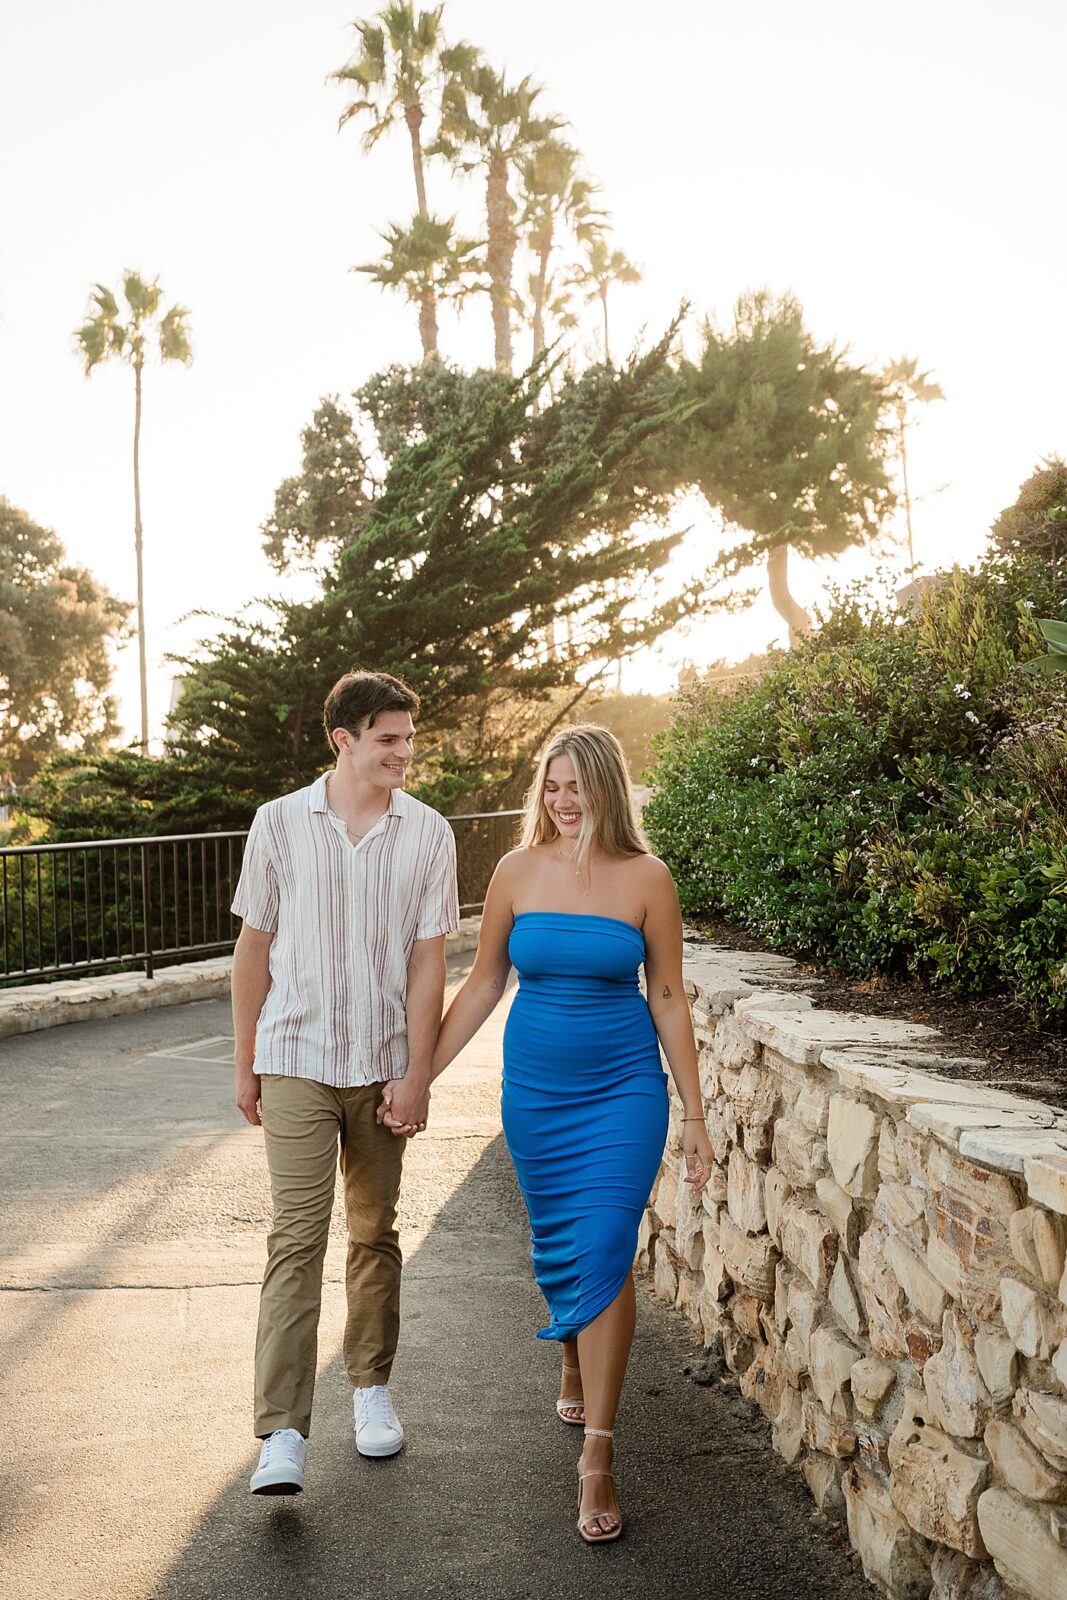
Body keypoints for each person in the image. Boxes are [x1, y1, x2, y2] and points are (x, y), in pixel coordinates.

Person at [388, 724, 713, 1542]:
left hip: (624, 1088)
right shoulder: (514, 871)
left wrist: (697, 1114)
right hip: (536, 1089)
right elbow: (484, 980)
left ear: (607, 789)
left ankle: (597, 1455)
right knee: (559, 1239)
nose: (563, 802)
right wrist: (420, 1069)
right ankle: (571, 1344)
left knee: (606, 1243)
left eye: (578, 787)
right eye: (553, 787)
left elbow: (667, 997)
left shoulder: (647, 878)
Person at [231, 669, 458, 1496]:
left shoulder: (428, 833)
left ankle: (370, 1389)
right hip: (293, 1055)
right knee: (296, 1238)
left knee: (373, 1231)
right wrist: (244, 1060)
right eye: (388, 738)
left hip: (381, 1066)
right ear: (345, 741)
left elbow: (429, 959)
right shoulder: (279, 823)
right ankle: (281, 1432)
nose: (404, 751)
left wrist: (418, 1070)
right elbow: (252, 950)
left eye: (407, 736)